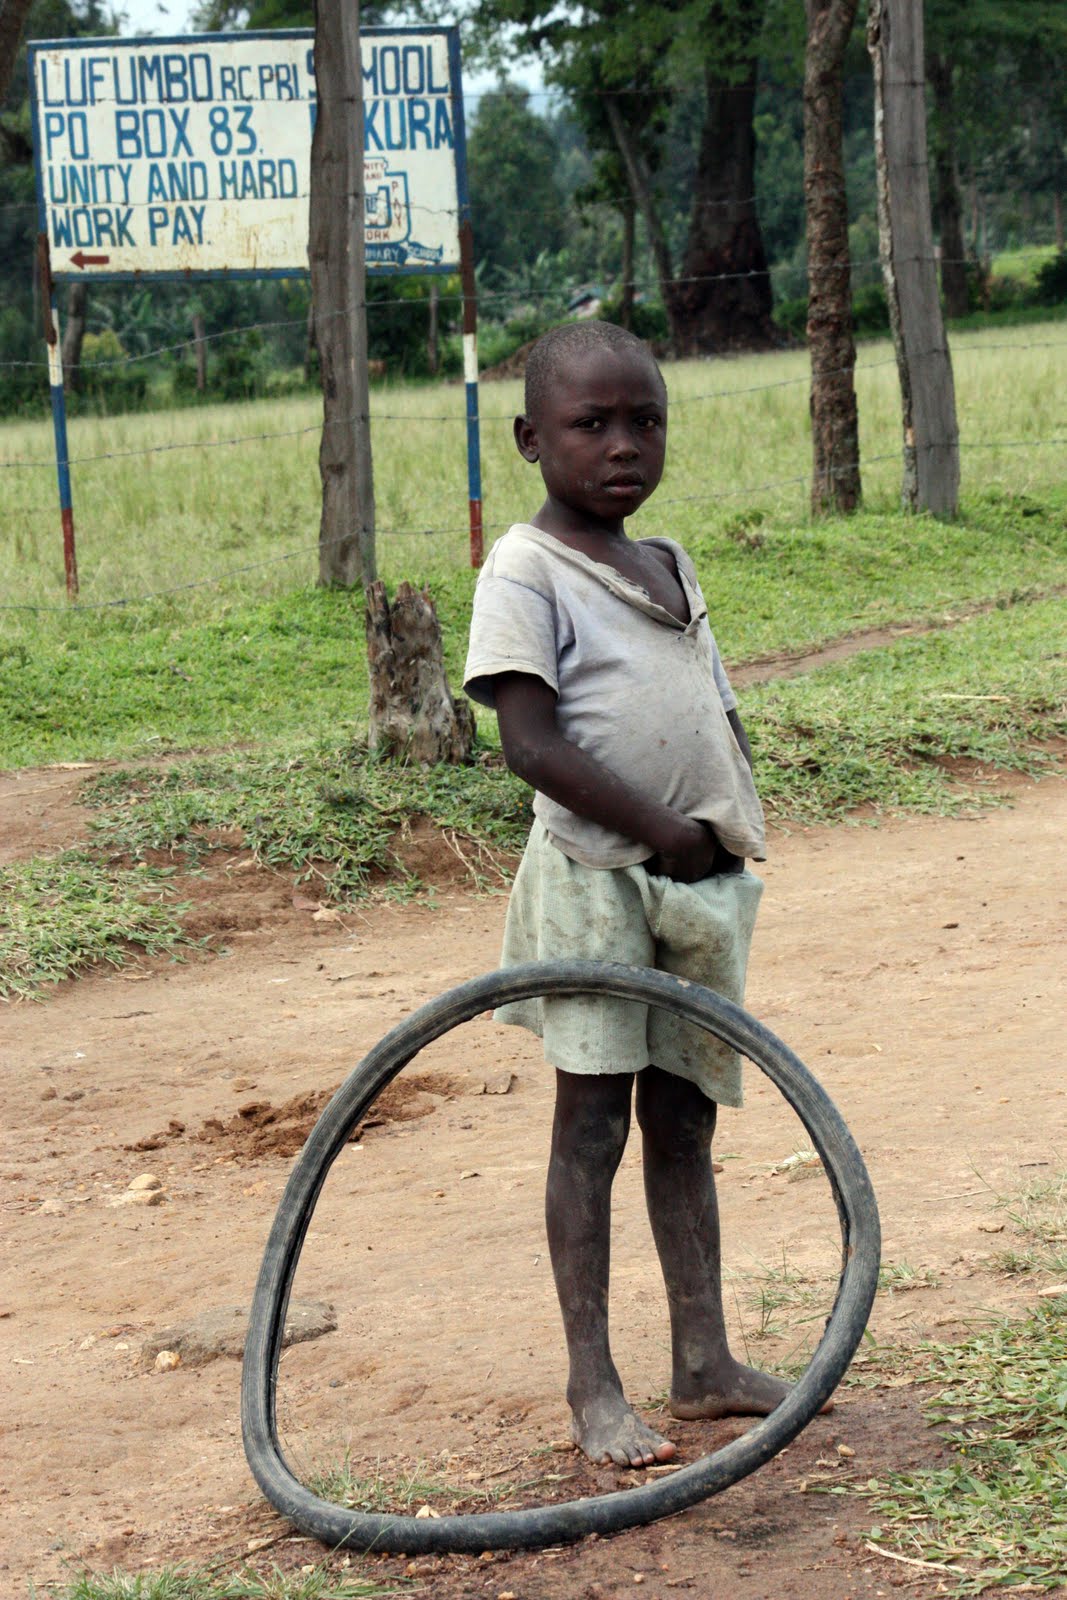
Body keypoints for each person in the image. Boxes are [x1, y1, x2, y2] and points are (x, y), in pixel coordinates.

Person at [463, 321, 795, 1470]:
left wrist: (723, 822)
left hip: (691, 886)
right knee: (591, 1126)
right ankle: (592, 1383)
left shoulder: (667, 560)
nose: (621, 445)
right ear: (528, 439)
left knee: (684, 1118)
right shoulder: (523, 566)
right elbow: (528, 742)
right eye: (589, 424)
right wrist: (657, 827)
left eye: (642, 420)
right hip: (596, 879)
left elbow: (707, 702)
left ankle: (701, 1361)